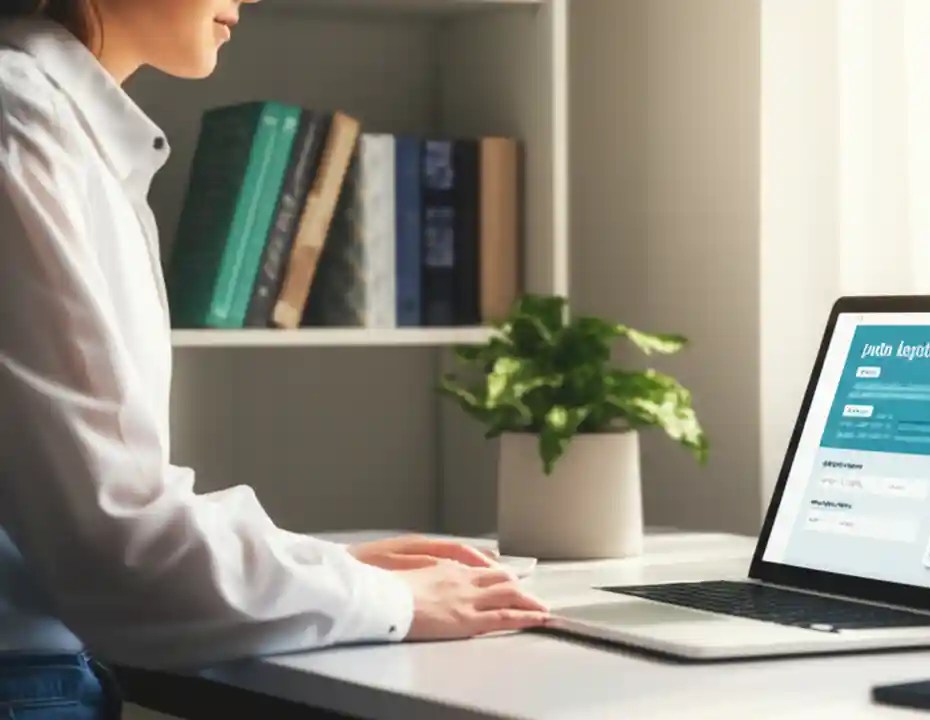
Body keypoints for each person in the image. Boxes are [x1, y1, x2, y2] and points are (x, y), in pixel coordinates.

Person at [0, 1, 550, 716]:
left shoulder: (57, 124)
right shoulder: (21, 123)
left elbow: (82, 504)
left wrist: (320, 568)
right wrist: (384, 598)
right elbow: (117, 548)